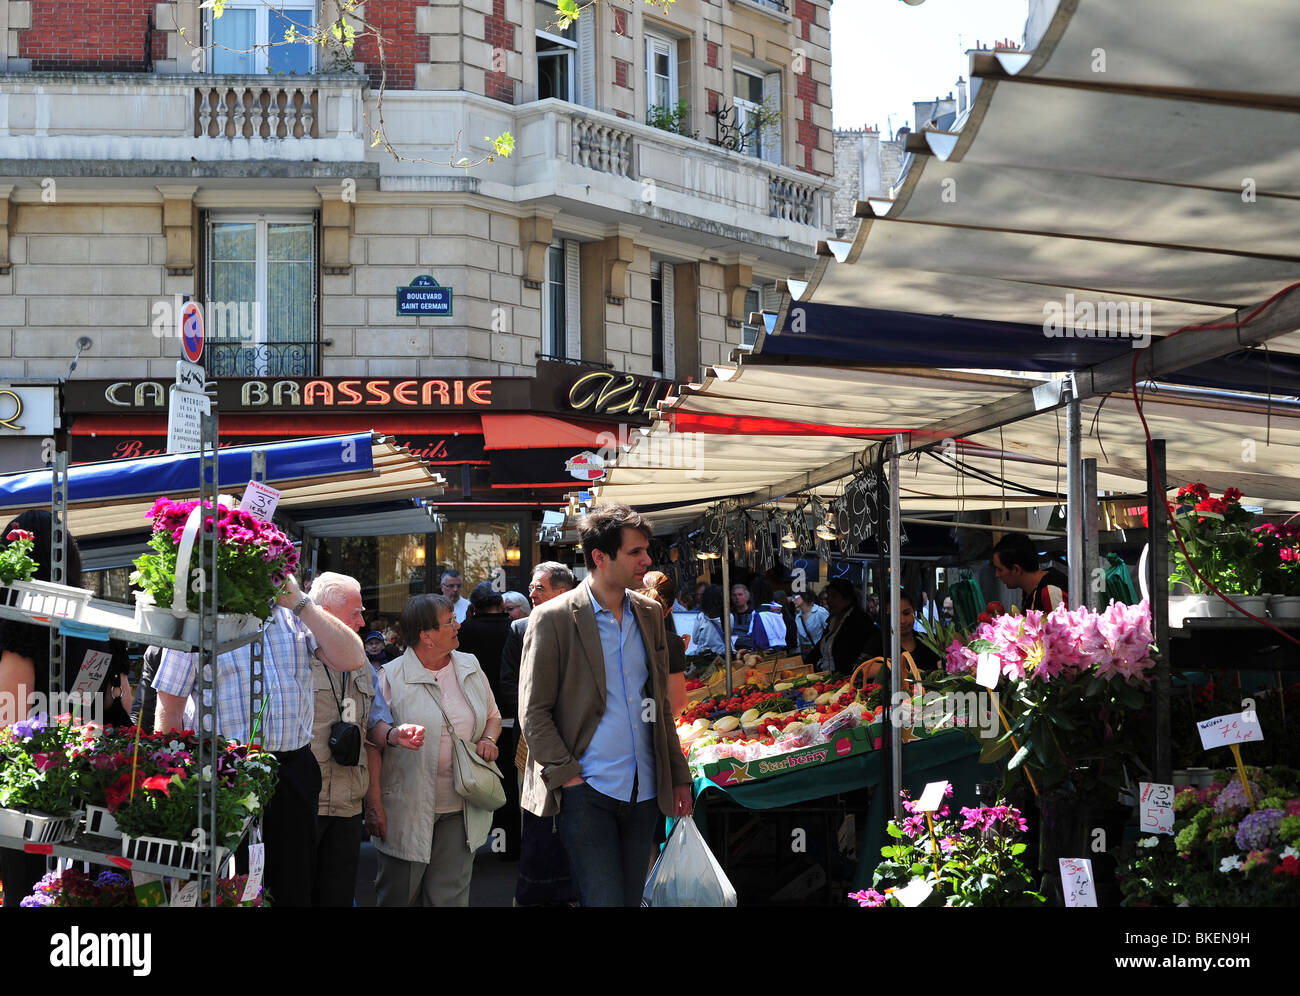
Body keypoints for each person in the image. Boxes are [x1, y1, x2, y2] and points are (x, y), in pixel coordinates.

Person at [154, 570, 368, 907]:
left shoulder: (293, 617)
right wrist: (171, 781)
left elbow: (353, 658)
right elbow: (169, 709)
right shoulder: (198, 619)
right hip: (223, 772)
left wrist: (301, 603)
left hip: (293, 767)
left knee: (292, 884)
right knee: (229, 883)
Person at [518, 503, 692, 907]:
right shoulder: (553, 618)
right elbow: (533, 711)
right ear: (599, 557)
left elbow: (660, 706)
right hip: (588, 791)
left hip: (646, 789)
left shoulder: (650, 613)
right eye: (635, 552)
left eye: (646, 550)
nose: (647, 560)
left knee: (632, 901)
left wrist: (678, 774)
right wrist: (569, 777)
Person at [0, 510, 134, 906]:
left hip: (37, 798)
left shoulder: (19, 629)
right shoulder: (100, 626)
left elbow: (10, 721)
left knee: (33, 893)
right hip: (99, 787)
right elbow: (122, 701)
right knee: (94, 892)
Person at [369, 594, 502, 907]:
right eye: (449, 623)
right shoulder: (392, 675)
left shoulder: (469, 664)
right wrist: (391, 736)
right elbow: (371, 738)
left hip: (461, 807)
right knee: (398, 897)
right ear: (425, 636)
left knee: (450, 899)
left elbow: (493, 716)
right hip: (406, 810)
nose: (458, 626)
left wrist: (489, 740)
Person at [307, 574, 423, 907]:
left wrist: (394, 735)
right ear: (325, 610)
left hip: (346, 803)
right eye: (355, 613)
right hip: (305, 802)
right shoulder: (297, 655)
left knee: (339, 895)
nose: (362, 621)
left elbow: (373, 724)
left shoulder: (361, 662)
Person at [501, 561, 578, 906]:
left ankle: (572, 890)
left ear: (562, 592)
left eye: (539, 588)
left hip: (578, 743)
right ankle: (535, 892)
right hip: (530, 744)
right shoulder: (519, 628)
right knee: (536, 817)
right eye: (531, 587)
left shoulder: (582, 626)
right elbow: (507, 683)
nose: (532, 593)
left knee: (575, 820)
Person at [457, 581, 516, 859]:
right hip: (511, 713)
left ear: (473, 608)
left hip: (477, 714)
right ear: (501, 605)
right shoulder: (514, 627)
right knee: (510, 779)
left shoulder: (466, 631)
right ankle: (510, 843)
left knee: (478, 778)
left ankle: (476, 838)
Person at [858, 592, 942, 681]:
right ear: (886, 617)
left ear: (914, 611)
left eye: (906, 613)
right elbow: (860, 670)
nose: (902, 621)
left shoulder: (929, 640)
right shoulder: (879, 641)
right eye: (895, 616)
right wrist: (898, 669)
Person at [641, 570, 688, 717]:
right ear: (669, 610)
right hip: (650, 730)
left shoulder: (613, 633)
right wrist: (676, 652)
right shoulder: (671, 643)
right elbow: (676, 706)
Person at [805, 579, 874, 675]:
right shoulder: (832, 620)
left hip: (845, 679)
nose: (829, 601)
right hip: (825, 677)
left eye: (834, 596)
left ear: (847, 599)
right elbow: (818, 650)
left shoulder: (859, 621)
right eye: (828, 596)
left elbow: (848, 657)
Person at [992, 534, 1069, 612]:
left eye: (1000, 569)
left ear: (1016, 569)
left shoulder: (1051, 593)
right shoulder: (1028, 591)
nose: (997, 575)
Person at [690, 584, 728, 656]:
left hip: (703, 657)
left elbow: (695, 640)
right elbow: (729, 634)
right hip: (722, 656)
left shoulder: (700, 617)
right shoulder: (729, 617)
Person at [792, 591, 830, 655]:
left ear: (805, 597)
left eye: (796, 597)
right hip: (804, 654)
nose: (793, 600)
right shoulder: (798, 616)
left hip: (819, 654)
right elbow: (798, 638)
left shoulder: (820, 612)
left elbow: (830, 633)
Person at [730, 583, 756, 651]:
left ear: (746, 596)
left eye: (740, 594)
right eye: (734, 595)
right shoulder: (728, 614)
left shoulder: (754, 613)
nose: (737, 597)